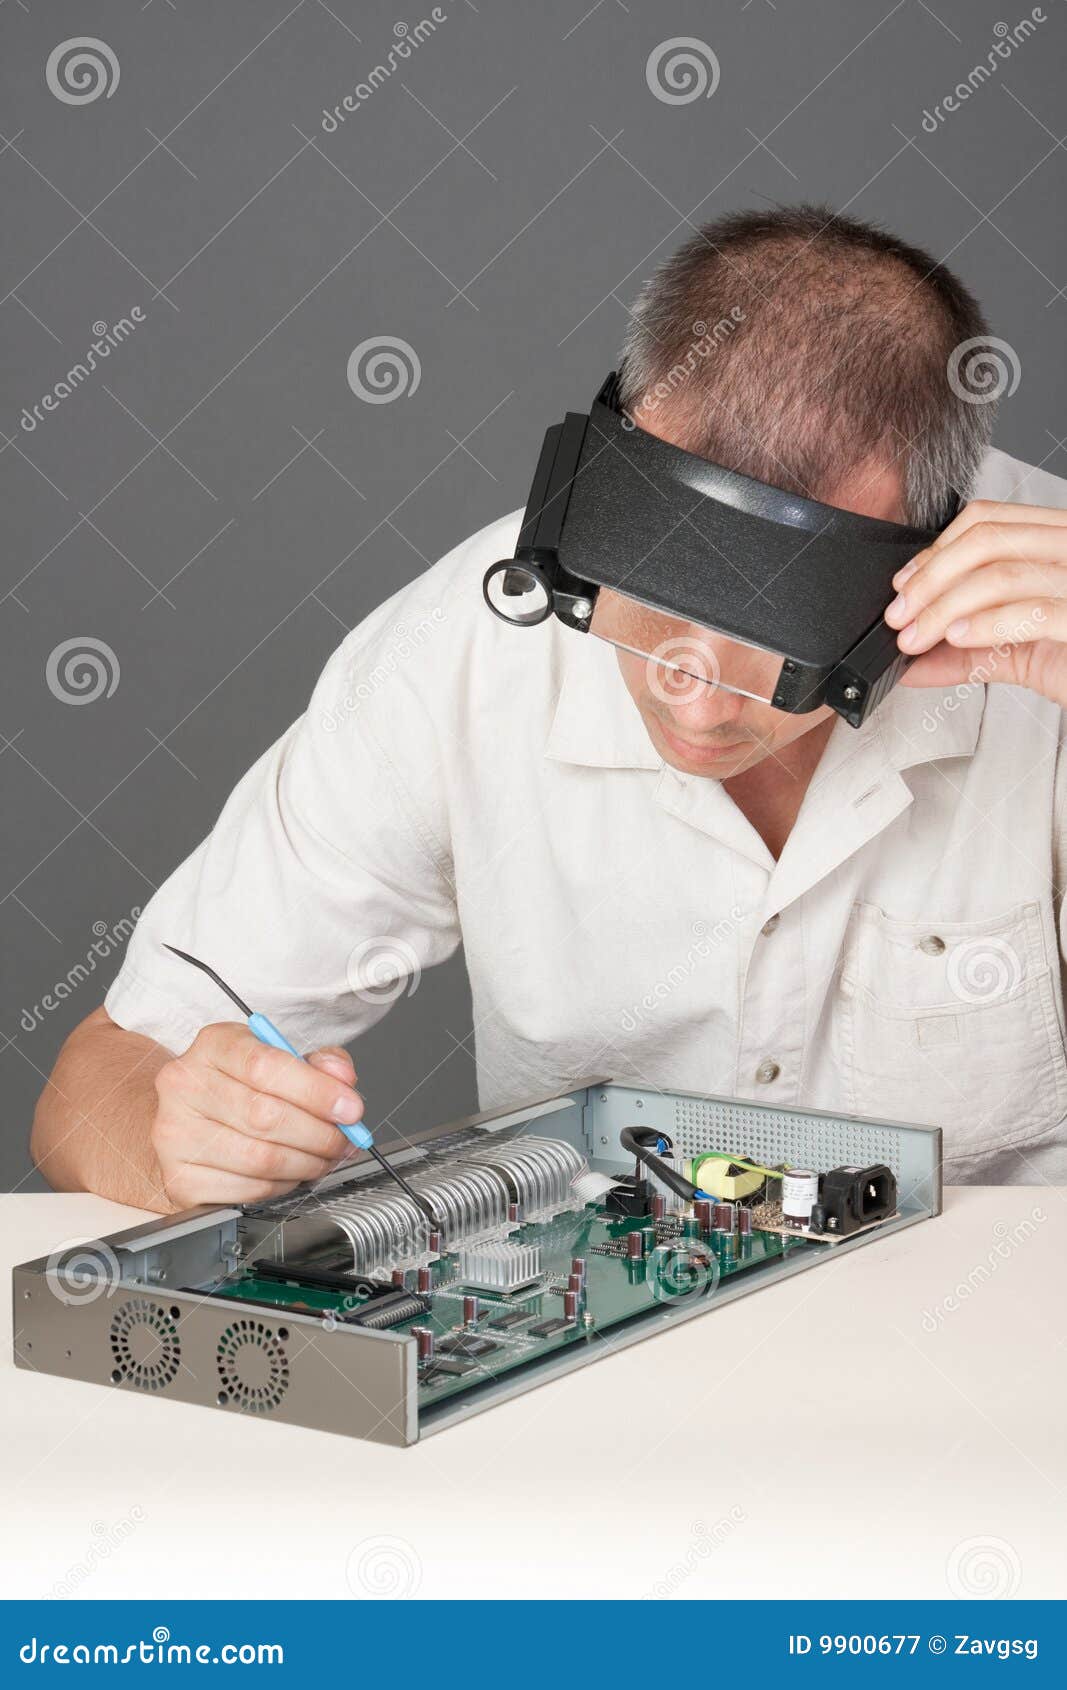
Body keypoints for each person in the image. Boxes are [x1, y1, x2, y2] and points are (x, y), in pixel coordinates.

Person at [32, 205, 1067, 1211]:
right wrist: (175, 1137)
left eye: (775, 630)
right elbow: (93, 1088)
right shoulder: (460, 655)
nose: (696, 693)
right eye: (658, 592)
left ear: (927, 547)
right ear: (600, 495)